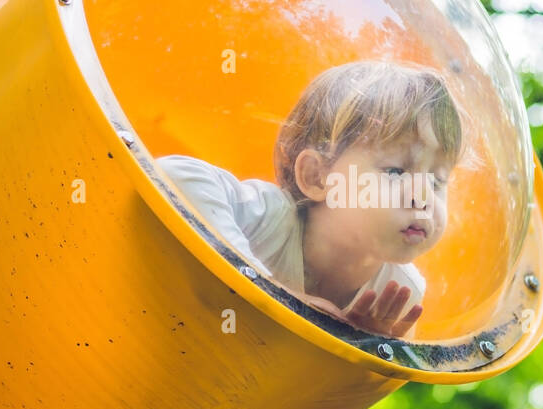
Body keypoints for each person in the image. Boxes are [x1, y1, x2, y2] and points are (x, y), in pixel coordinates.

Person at [156, 60, 466, 337]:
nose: (423, 197)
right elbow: (174, 174)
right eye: (396, 171)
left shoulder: (400, 291)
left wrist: (363, 348)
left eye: (437, 180)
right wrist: (267, 289)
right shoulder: (267, 218)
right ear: (318, 177)